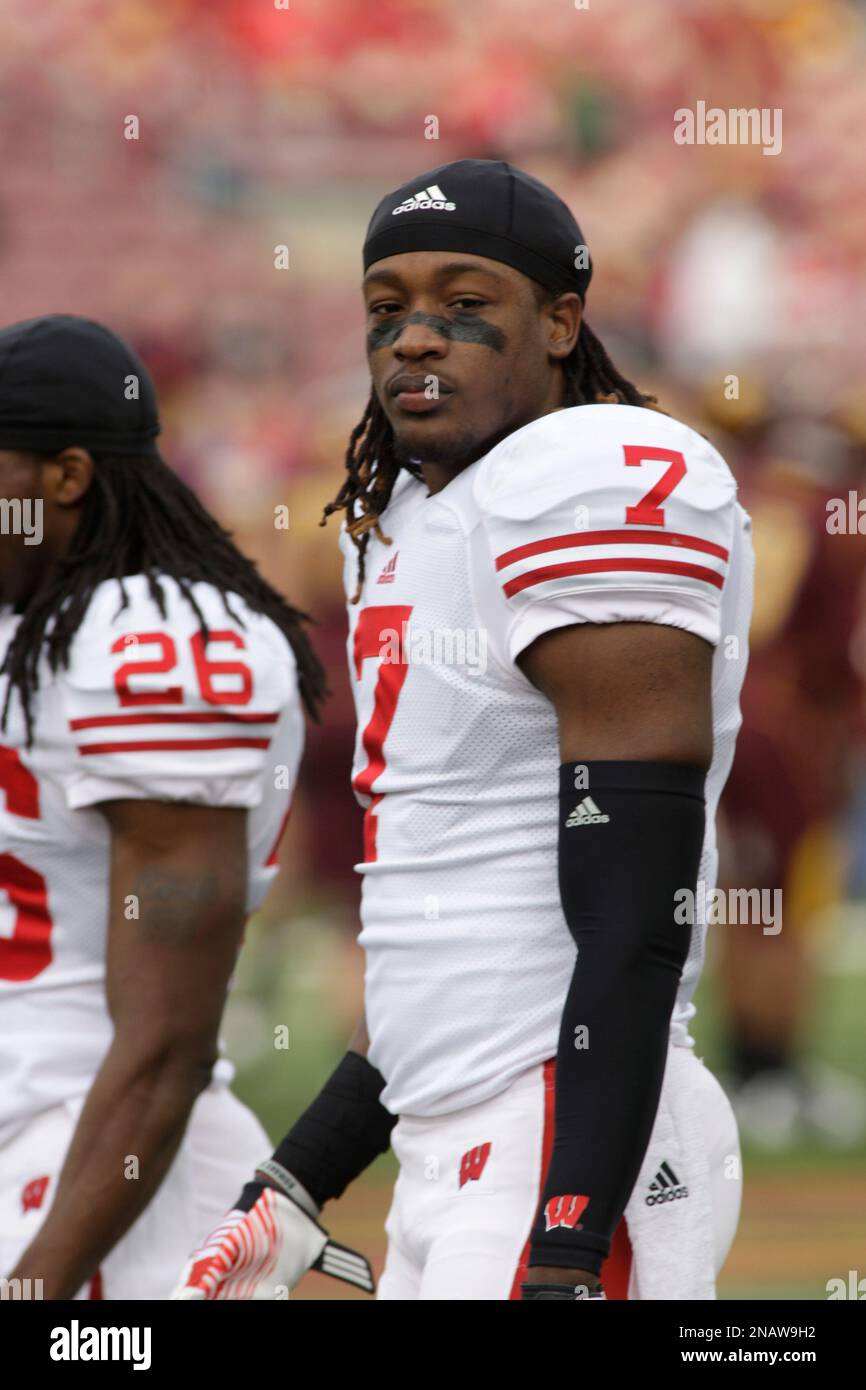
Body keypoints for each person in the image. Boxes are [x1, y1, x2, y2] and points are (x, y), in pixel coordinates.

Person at [173, 160, 754, 1301]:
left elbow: (633, 917)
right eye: (384, 310)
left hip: (567, 1139)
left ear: (559, 320)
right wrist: (298, 1179)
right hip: (463, 1148)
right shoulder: (408, 514)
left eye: (464, 304)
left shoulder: (594, 477)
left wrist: (571, 1237)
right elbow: (452, 953)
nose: (414, 338)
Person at [0, 314, 326, 1299]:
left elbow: (167, 1044)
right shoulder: (34, 623)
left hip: (107, 1177)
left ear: (64, 476)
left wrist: (38, 1285)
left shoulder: (149, 641)